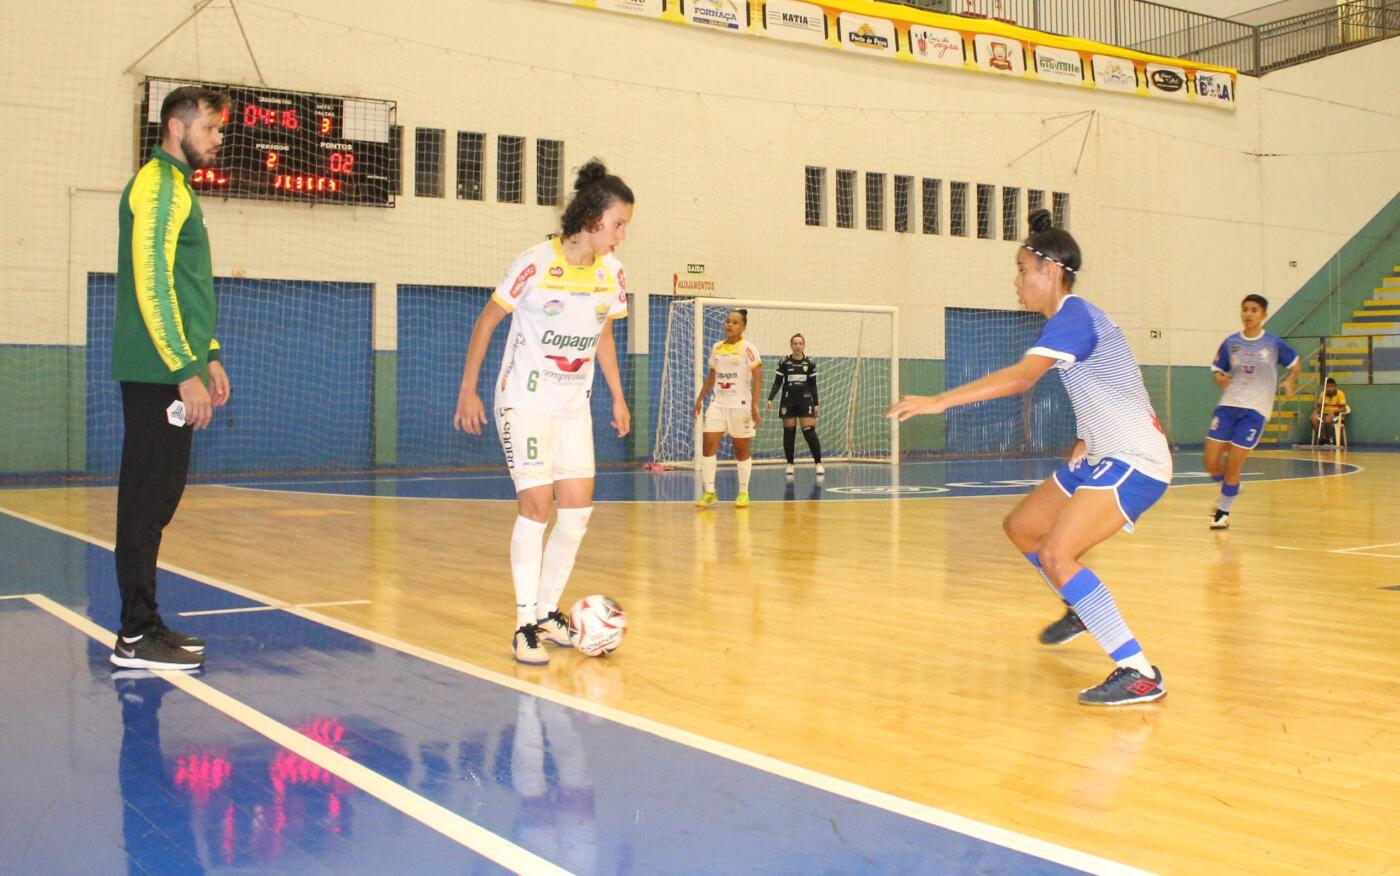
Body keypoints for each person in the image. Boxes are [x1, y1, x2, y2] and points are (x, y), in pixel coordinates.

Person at [888, 209, 1171, 706]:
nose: (1017, 282)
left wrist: (939, 401)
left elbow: (1022, 378)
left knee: (1058, 553)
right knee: (1022, 527)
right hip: (1102, 453)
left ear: (1051, 271)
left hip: (1135, 460)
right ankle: (1080, 605)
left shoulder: (1074, 317)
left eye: (1023, 270)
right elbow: (1106, 384)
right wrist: (1084, 439)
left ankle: (1139, 672)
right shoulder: (1074, 320)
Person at [454, 159, 633, 665]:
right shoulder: (534, 262)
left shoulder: (613, 273)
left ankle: (548, 612)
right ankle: (522, 626)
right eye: (618, 224)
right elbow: (487, 322)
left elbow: (604, 336)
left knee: (576, 515)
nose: (622, 235)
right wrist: (468, 390)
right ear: (593, 219)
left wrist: (617, 396)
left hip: (574, 406)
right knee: (536, 508)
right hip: (525, 401)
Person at [110, 85, 230, 671]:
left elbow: (187, 287)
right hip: (157, 372)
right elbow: (152, 281)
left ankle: (146, 624)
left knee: (158, 497)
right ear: (177, 128)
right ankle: (135, 634)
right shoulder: (158, 187)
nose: (218, 138)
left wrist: (209, 354)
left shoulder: (179, 188)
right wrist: (184, 370)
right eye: (210, 128)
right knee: (145, 498)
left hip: (174, 367)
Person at [1203, 294, 1299, 529]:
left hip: (1255, 411)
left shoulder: (1273, 344)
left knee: (1233, 464)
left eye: (1254, 310)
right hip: (1228, 407)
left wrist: (1290, 381)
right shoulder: (1231, 342)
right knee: (1211, 462)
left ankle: (1223, 512)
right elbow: (1218, 369)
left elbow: (1295, 364)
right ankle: (1231, 487)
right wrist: (1220, 378)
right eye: (1245, 309)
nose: (1248, 314)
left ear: (1263, 315)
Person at [693, 310, 762, 508]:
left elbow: (758, 376)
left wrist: (754, 405)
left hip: (740, 405)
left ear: (743, 327)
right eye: (728, 321)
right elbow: (711, 376)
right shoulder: (717, 348)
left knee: (741, 449)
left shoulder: (748, 348)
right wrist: (700, 399)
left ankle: (743, 492)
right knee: (708, 445)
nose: (729, 325)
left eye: (735, 322)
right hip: (718, 404)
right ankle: (709, 491)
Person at [766, 333, 824, 477]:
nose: (798, 346)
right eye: (795, 343)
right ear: (791, 345)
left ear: (803, 345)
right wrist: (770, 399)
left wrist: (816, 404)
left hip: (805, 400)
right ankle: (790, 464)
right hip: (788, 401)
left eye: (800, 343)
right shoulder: (784, 362)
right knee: (789, 433)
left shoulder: (810, 362)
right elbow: (778, 382)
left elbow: (813, 385)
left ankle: (818, 463)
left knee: (809, 432)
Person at [1311, 377, 1350, 445]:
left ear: (1335, 387)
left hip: (1336, 415)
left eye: (1332, 386)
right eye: (1328, 386)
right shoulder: (1322, 394)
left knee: (1328, 420)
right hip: (1324, 414)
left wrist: (1333, 412)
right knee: (1313, 419)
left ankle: (1329, 438)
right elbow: (1319, 407)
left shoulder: (1340, 393)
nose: (1330, 388)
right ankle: (1324, 438)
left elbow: (1343, 408)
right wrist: (1315, 412)